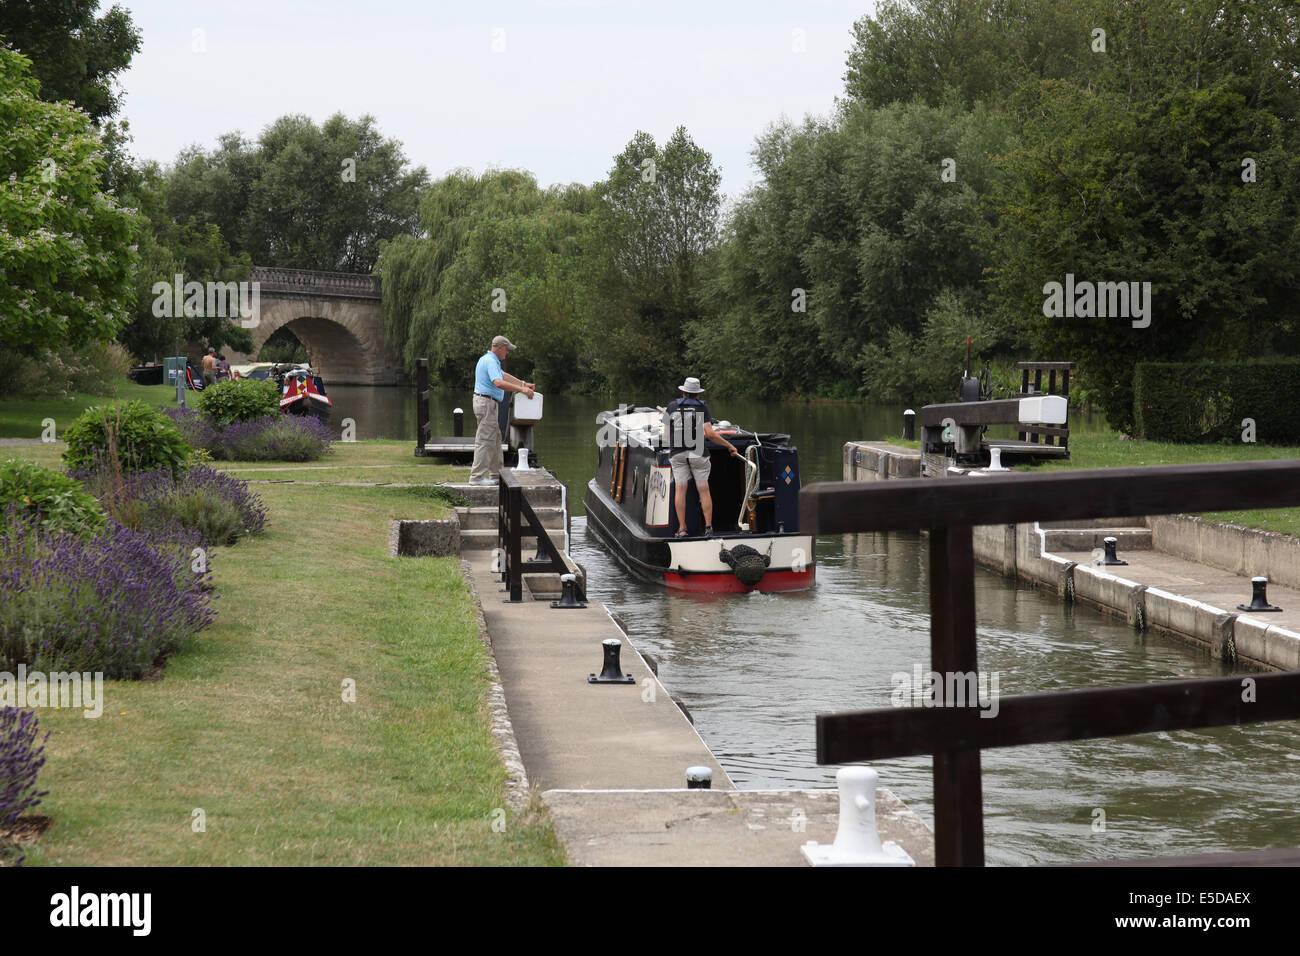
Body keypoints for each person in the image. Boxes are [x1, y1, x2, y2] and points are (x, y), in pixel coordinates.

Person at [661, 376, 739, 537]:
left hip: (677, 453)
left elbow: (667, 435)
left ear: (683, 392)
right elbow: (709, 434)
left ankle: (682, 529)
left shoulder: (671, 406)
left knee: (680, 489)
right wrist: (729, 445)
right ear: (697, 394)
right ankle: (709, 528)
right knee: (703, 489)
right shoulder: (702, 407)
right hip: (698, 453)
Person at [470, 335, 535, 485]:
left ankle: (496, 475)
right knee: (485, 440)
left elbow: (503, 376)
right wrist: (521, 390)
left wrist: (523, 384)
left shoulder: (489, 360)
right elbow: (498, 382)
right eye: (507, 350)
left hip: (488, 403)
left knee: (496, 439)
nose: (508, 353)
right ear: (499, 348)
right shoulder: (491, 361)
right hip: (486, 403)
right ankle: (477, 478)